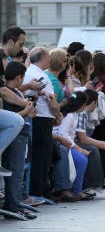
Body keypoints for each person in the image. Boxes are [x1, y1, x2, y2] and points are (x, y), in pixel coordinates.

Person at [1, 61, 36, 219]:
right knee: (15, 172)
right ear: (19, 77)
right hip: (15, 138)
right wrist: (26, 111)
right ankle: (13, 205)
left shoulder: (14, 91)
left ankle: (15, 203)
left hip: (21, 137)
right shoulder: (7, 93)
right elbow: (12, 119)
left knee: (18, 171)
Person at [26, 46, 61, 199]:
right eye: (48, 57)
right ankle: (39, 191)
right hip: (44, 118)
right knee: (42, 157)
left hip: (36, 118)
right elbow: (52, 101)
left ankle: (37, 190)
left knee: (38, 155)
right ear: (43, 57)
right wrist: (57, 115)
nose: (50, 60)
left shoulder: (28, 72)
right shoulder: (43, 76)